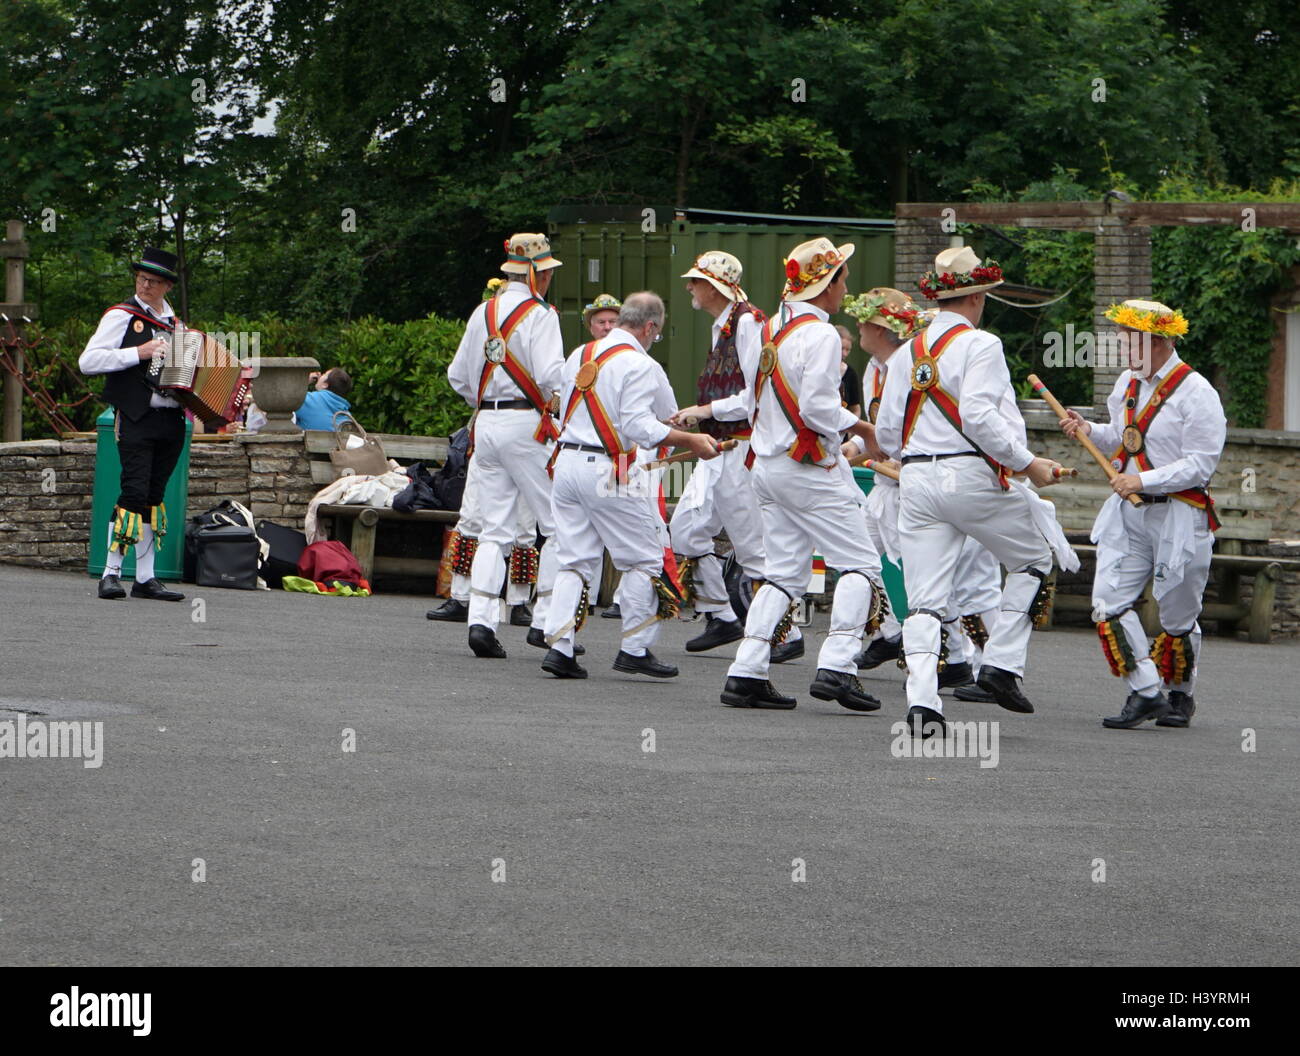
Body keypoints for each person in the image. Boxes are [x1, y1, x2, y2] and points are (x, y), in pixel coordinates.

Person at [875, 246, 1064, 737]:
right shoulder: (982, 345)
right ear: (978, 296)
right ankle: (1000, 666)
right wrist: (1028, 464)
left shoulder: (905, 353)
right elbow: (979, 417)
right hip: (970, 478)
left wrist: (919, 453)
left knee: (924, 602)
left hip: (915, 479)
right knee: (1035, 560)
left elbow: (889, 433)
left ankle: (923, 704)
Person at [719, 237, 888, 712]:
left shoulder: (767, 329)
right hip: (808, 467)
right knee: (860, 564)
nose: (845, 287)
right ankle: (838, 667)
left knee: (782, 573)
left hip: (768, 467)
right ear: (828, 285)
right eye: (842, 279)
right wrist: (861, 426)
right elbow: (817, 408)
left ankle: (747, 670)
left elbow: (752, 404)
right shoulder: (823, 335)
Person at [1060, 299, 1225, 730]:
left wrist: (1142, 482)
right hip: (1128, 515)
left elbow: (1201, 463)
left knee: (1177, 616)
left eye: (1129, 340)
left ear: (1158, 341)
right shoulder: (1128, 384)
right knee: (1108, 603)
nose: (1122, 348)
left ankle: (1180, 695)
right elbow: (1120, 436)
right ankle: (1146, 690)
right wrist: (1087, 428)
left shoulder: (1197, 392)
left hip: (1180, 517)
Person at [540, 292, 720, 678]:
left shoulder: (581, 354)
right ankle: (634, 648)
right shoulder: (641, 364)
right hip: (608, 469)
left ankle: (560, 646)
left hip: (566, 463)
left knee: (574, 558)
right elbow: (648, 424)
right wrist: (690, 438)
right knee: (643, 559)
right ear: (650, 327)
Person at [667, 251, 805, 663]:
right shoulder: (724, 324)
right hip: (717, 447)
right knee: (685, 529)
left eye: (694, 281)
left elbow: (753, 397)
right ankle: (721, 615)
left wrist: (703, 411)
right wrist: (699, 414)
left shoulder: (747, 323)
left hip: (741, 449)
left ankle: (787, 633)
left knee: (752, 547)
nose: (689, 287)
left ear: (712, 287)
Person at [446, 233, 565, 658]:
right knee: (555, 525)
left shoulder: (483, 311)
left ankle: (480, 619)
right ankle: (546, 622)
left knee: (493, 529)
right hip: (526, 425)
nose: (549, 279)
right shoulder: (541, 315)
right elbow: (553, 374)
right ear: (535, 272)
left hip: (487, 424)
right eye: (547, 272)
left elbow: (458, 377)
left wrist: (487, 403)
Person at [79, 248, 188, 602]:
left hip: (170, 420)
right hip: (136, 417)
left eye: (153, 281)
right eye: (141, 278)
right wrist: (137, 353)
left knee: (153, 498)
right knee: (134, 492)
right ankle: (111, 574)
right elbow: (88, 361)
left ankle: (145, 578)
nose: (144, 285)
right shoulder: (121, 315)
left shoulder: (177, 326)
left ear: (167, 286)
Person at [835, 324, 863, 419]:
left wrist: (850, 431)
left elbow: (855, 408)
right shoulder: (819, 368)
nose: (844, 353)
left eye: (848, 350)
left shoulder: (850, 373)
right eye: (842, 348)